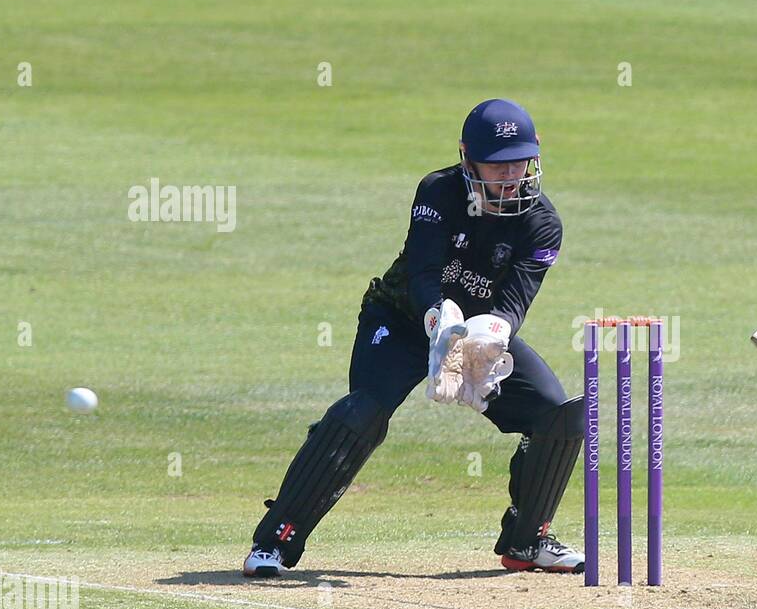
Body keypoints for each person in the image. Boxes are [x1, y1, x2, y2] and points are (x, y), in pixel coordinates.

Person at [243, 99, 585, 578]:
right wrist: (438, 323)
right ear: (467, 157)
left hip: (479, 340)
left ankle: (528, 541)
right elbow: (424, 272)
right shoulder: (438, 191)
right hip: (403, 321)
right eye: (497, 163)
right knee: (361, 412)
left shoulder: (542, 223)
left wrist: (489, 338)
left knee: (557, 413)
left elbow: (514, 302)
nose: (511, 175)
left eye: (519, 162)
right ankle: (276, 541)